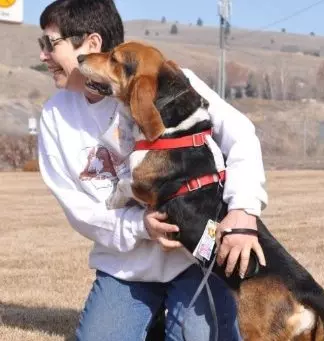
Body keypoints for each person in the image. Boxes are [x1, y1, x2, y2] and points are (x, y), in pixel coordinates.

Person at [38, 1, 268, 340]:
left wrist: (244, 210)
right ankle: (150, 318)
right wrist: (139, 226)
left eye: (50, 43)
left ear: (91, 43)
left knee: (197, 334)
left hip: (195, 258)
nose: (43, 55)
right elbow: (79, 210)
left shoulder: (168, 80)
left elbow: (242, 136)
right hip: (126, 266)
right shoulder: (53, 118)